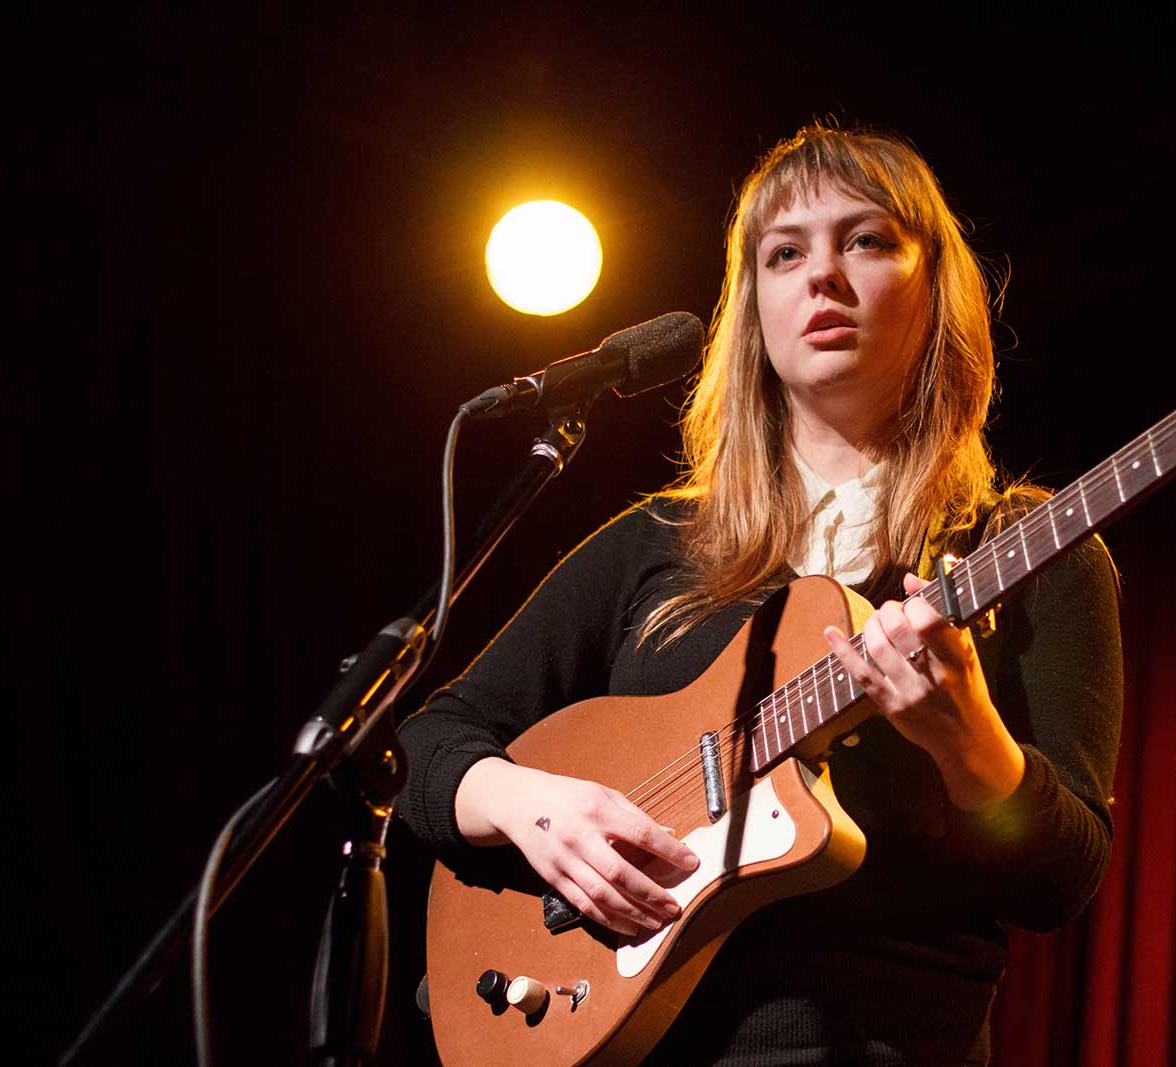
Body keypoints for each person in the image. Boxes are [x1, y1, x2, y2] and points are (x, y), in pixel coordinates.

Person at [397, 123, 1123, 1065]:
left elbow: (1064, 881)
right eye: (785, 253)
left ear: (936, 288)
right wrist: (544, 811)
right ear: (753, 310)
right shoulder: (661, 540)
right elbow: (424, 746)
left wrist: (968, 740)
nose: (822, 275)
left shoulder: (1032, 551)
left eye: (866, 240)